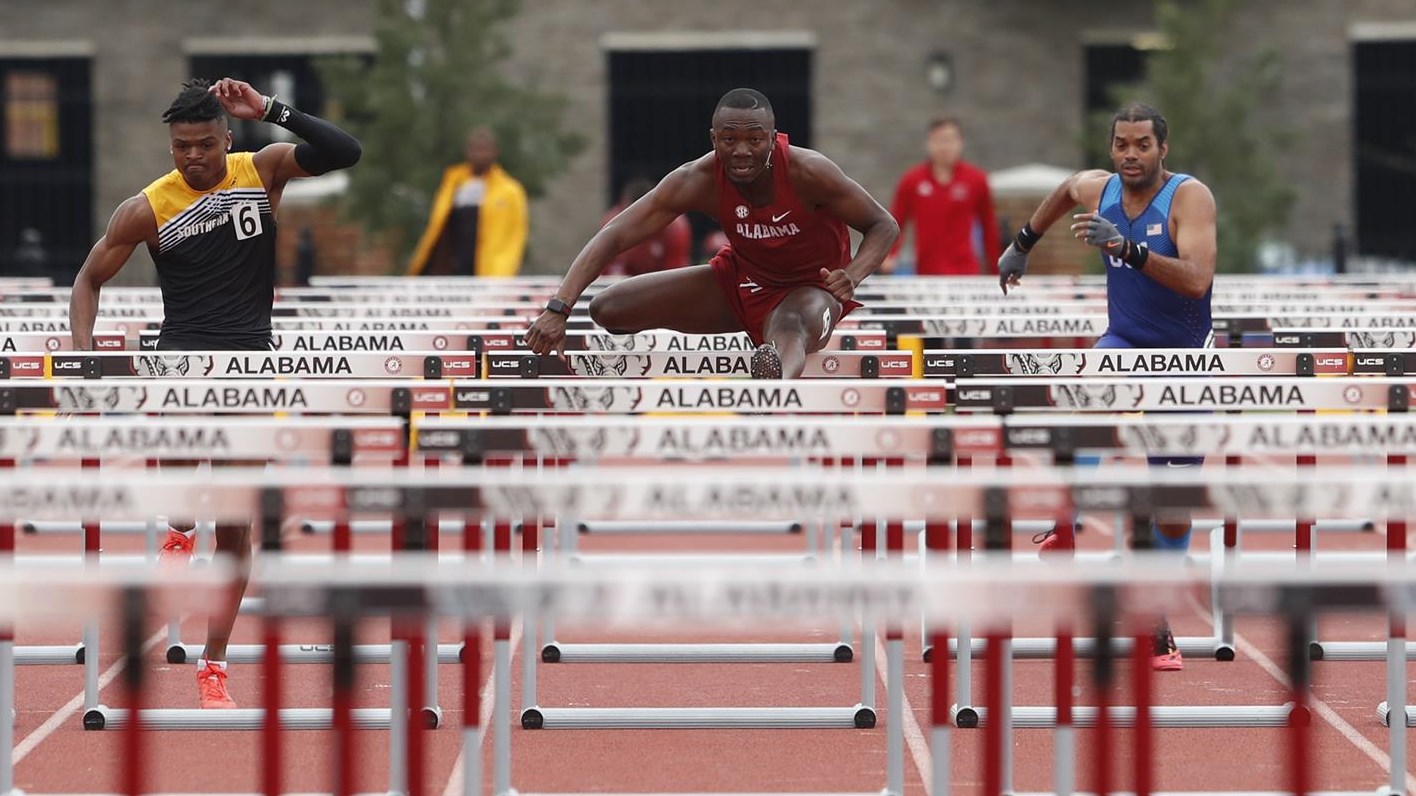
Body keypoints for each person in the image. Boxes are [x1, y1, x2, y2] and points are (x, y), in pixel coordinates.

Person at [68, 77, 361, 706]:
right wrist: (82, 353)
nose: (193, 157)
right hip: (178, 364)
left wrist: (272, 111)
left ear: (227, 139)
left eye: (204, 144)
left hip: (250, 367)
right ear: (170, 147)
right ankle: (177, 527)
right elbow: (88, 279)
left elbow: (345, 152)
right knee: (179, 491)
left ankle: (215, 663)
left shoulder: (260, 169)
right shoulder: (147, 207)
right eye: (180, 147)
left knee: (236, 523)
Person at [997, 101, 1216, 671]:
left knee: (1170, 508)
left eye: (1142, 144)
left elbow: (1196, 281)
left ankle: (1158, 619)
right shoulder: (1102, 189)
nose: (1130, 155)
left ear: (1162, 149)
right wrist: (1023, 242)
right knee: (1076, 398)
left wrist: (1128, 249)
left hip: (1183, 361)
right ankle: (1066, 523)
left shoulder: (1188, 198)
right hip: (1122, 343)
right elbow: (1068, 187)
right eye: (1121, 144)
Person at [525, 88, 898, 378]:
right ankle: (764, 331)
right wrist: (560, 307)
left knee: (790, 321)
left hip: (812, 290)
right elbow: (614, 234)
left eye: (755, 140)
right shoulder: (697, 179)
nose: (741, 151)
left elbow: (883, 224)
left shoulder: (810, 172)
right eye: (728, 139)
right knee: (607, 309)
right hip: (744, 282)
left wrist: (852, 274)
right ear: (713, 138)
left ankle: (771, 393)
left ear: (773, 137)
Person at [883, 117, 1000, 276]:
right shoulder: (911, 180)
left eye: (950, 140)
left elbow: (989, 228)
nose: (945, 147)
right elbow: (896, 222)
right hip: (926, 272)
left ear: (960, 142)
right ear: (929, 143)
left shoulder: (977, 180)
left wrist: (997, 269)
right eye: (939, 140)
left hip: (965, 272)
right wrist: (890, 255)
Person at [407, 127, 528, 277]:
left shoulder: (510, 191)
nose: (479, 155)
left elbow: (515, 236)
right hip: (451, 267)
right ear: (467, 151)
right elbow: (437, 226)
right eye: (475, 149)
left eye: (484, 150)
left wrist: (503, 272)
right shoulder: (453, 182)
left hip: (487, 271)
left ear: (494, 152)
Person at [602, 177, 691, 276]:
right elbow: (606, 271)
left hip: (660, 278)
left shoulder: (675, 228)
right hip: (625, 277)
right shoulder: (613, 224)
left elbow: (673, 273)